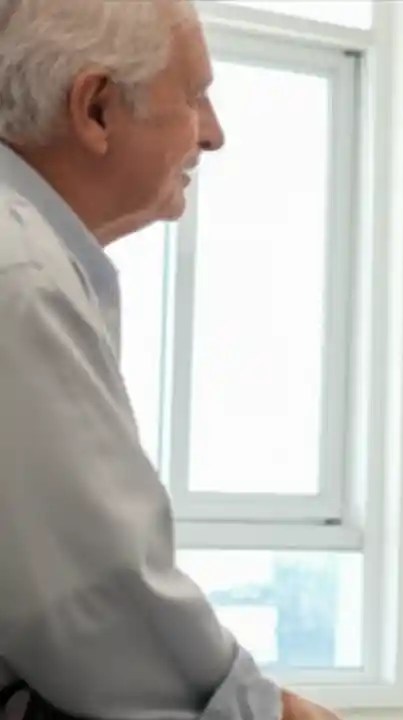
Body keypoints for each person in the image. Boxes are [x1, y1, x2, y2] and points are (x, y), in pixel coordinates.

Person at [0, 1, 336, 717]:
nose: (213, 135)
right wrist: (268, 711)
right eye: (193, 97)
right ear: (94, 109)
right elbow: (98, 603)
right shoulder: (17, 276)